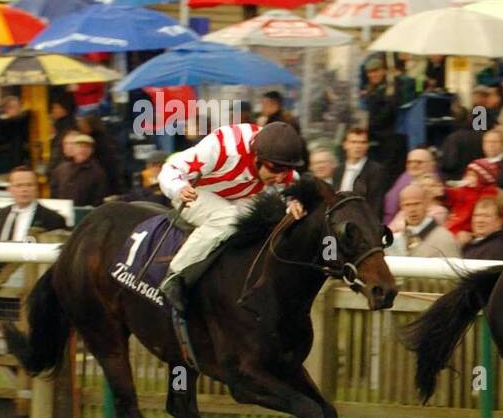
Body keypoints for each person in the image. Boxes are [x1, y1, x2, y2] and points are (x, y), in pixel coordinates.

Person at [157, 122, 305, 319]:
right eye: (275, 170)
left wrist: (294, 201)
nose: (280, 178)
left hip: (232, 199)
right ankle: (175, 276)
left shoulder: (278, 162)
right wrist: (178, 188)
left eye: (285, 171)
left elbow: (291, 185)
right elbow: (170, 169)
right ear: (257, 157)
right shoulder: (224, 146)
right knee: (230, 218)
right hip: (193, 193)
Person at [0, 167, 66, 240]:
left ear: (37, 188)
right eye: (19, 185)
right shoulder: (2, 215)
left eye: (29, 185)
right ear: (9, 189)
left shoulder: (53, 219)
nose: (24, 189)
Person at [385, 181, 461, 258]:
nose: (412, 209)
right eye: (407, 205)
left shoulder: (444, 239)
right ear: (401, 207)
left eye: (417, 204)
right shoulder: (396, 241)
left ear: (427, 204)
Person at [332, 127, 388, 220]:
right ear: (345, 145)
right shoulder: (338, 171)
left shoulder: (376, 171)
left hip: (363, 223)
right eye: (353, 142)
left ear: (367, 146)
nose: (358, 146)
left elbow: (376, 205)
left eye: (362, 142)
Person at [49, 133, 109, 207]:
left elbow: (98, 200)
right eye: (80, 146)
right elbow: (54, 194)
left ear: (91, 150)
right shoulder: (60, 169)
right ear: (74, 149)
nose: (83, 150)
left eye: (86, 147)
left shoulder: (98, 173)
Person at [462, 194, 503, 260]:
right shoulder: (472, 244)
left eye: (486, 216)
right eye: (476, 215)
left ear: (499, 221)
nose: (479, 220)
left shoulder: (499, 248)